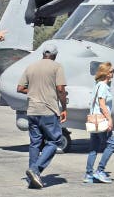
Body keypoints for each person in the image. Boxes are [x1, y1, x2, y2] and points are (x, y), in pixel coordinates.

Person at [16, 43, 67, 189]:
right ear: (55, 55)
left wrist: (33, 92)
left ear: (43, 54)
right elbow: (61, 89)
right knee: (54, 141)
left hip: (32, 111)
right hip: (48, 110)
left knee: (35, 143)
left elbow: (20, 88)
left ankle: (33, 178)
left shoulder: (31, 66)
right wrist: (64, 107)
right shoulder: (57, 67)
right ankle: (35, 169)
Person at [84, 62, 114, 184]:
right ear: (106, 73)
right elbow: (102, 105)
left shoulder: (97, 85)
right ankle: (100, 170)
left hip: (94, 120)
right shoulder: (103, 86)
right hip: (101, 120)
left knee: (93, 148)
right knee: (112, 144)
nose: (113, 73)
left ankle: (88, 175)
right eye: (112, 71)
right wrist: (109, 119)